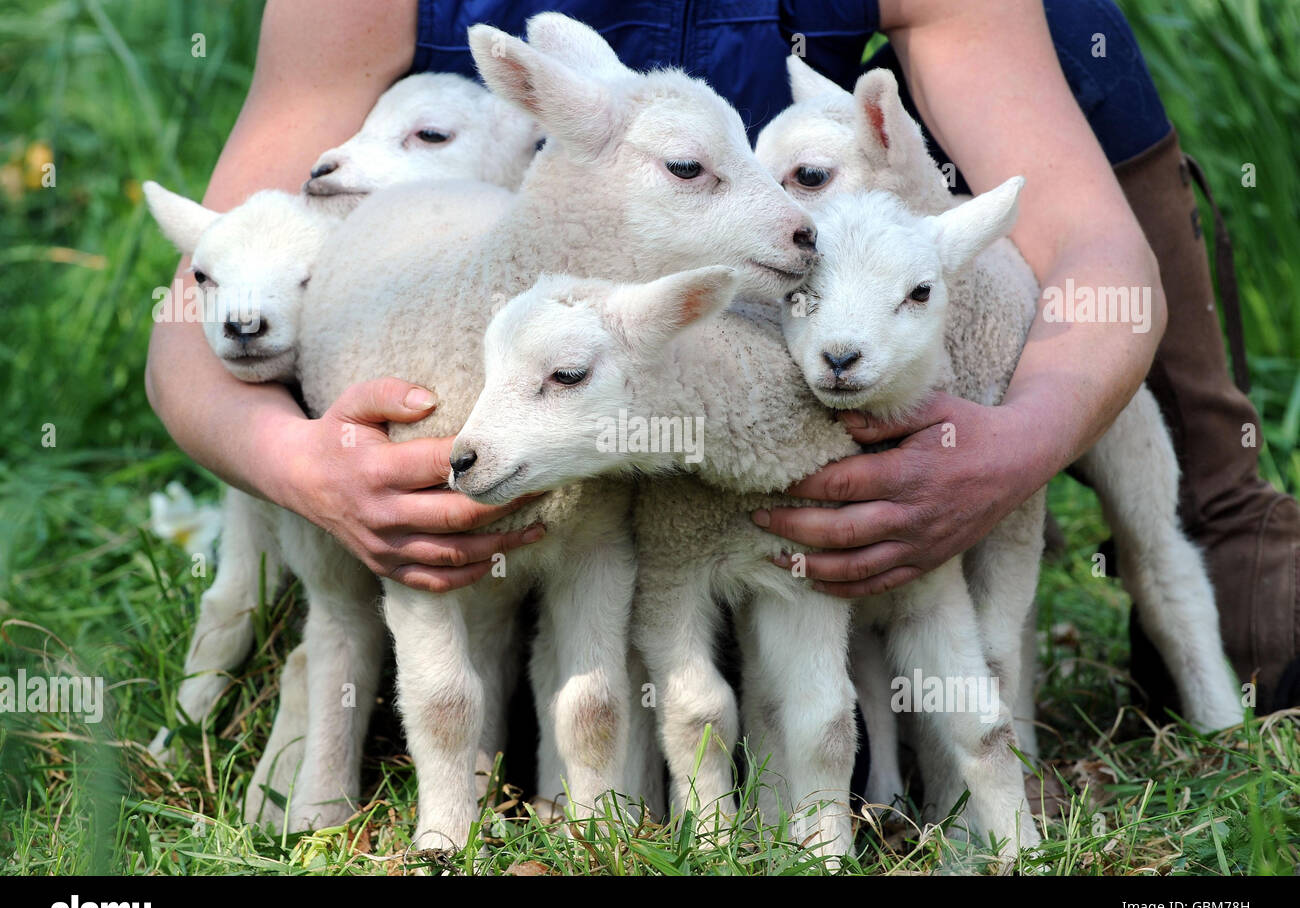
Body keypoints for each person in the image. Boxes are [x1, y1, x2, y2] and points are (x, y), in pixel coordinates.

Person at [145, 0, 1299, 714]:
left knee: (1066, 26)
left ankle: (1218, 500)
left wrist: (1015, 441)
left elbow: (1090, 250)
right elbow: (220, 276)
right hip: (524, 415)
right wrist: (297, 464)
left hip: (796, 362)